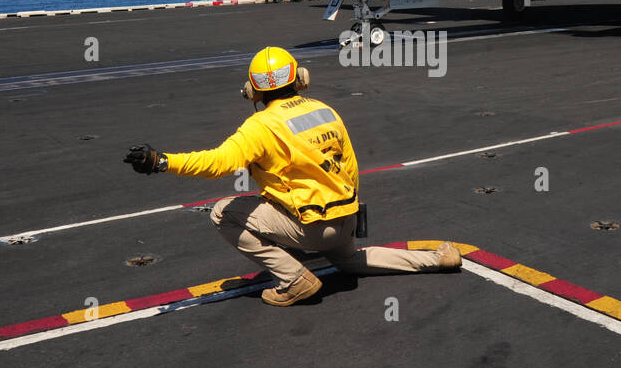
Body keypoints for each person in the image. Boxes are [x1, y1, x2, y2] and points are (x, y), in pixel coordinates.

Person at [124, 46, 460, 305]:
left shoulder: (261, 126)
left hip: (310, 227)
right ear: (299, 78)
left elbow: (218, 163)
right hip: (345, 218)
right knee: (349, 260)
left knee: (222, 213)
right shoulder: (324, 109)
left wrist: (161, 161)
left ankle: (294, 281)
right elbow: (352, 168)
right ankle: (437, 258)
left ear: (253, 91)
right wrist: (353, 213)